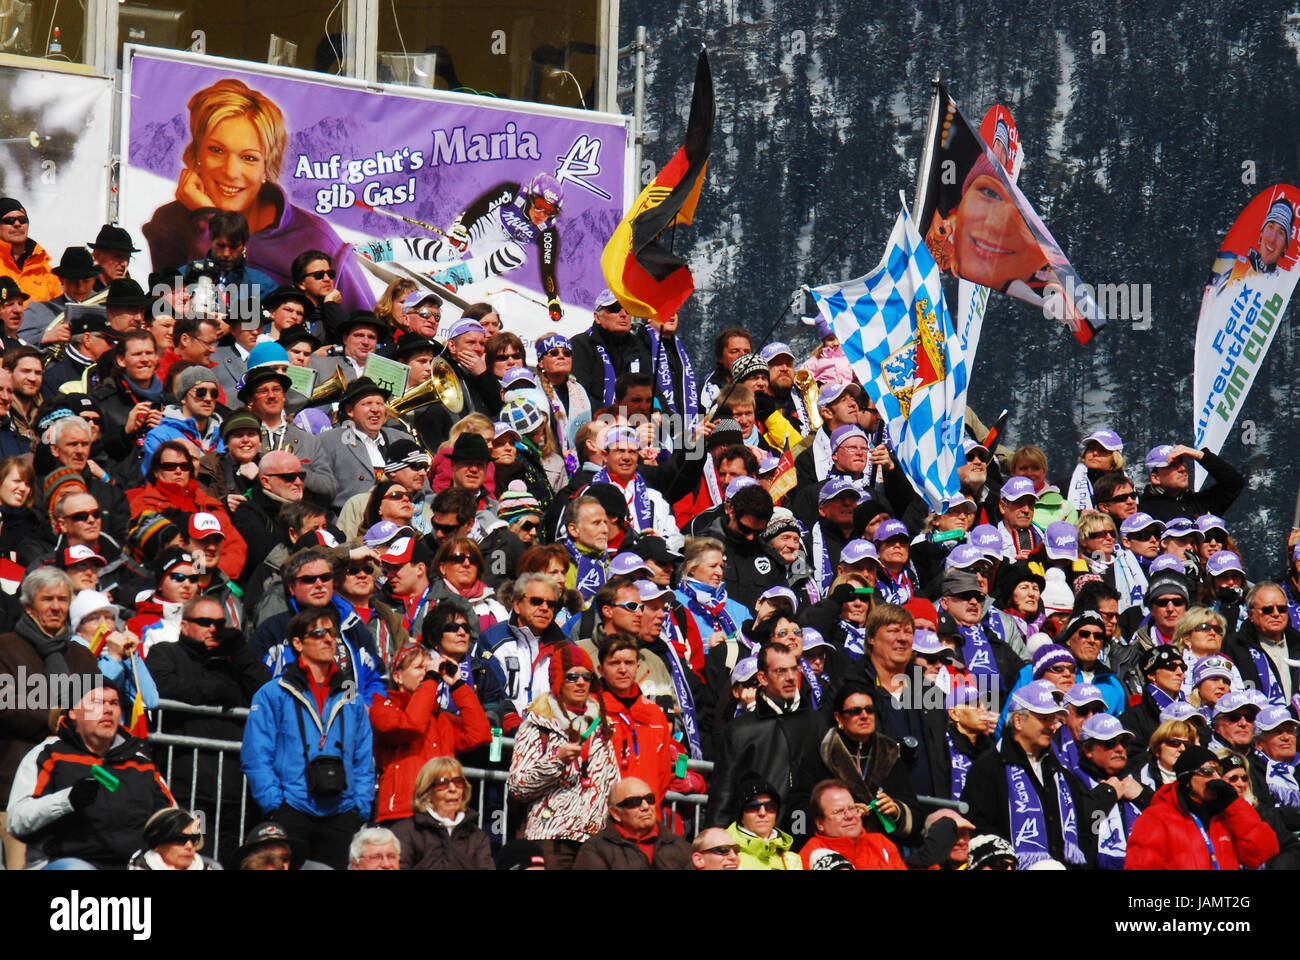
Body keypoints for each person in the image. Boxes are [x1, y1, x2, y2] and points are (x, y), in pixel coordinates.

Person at [143, 78, 370, 309]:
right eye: (216, 150)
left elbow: (366, 329)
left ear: (267, 166)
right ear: (197, 155)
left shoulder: (317, 239)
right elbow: (188, 311)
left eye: (249, 157)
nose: (231, 172)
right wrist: (205, 218)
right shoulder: (171, 224)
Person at [240, 605, 376, 870]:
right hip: (291, 808)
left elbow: (364, 757)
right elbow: (257, 754)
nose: (329, 639)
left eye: (332, 634)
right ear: (297, 643)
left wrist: (359, 805)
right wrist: (275, 805)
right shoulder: (273, 693)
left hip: (343, 811)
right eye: (319, 633)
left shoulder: (352, 696)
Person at [7, 684, 173, 869]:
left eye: (114, 703)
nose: (108, 709)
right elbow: (16, 821)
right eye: (97, 702)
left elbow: (174, 821)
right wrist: (67, 800)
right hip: (65, 863)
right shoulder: (48, 754)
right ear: (73, 712)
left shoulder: (141, 763)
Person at [0, 566, 93, 869]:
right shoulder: (6, 647)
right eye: (47, 599)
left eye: (63, 600)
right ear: (28, 606)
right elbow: (5, 703)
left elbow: (98, 704)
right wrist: (56, 715)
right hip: (13, 784)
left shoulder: (81, 655)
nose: (56, 607)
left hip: (70, 788)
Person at [506, 643, 619, 869]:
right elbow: (517, 786)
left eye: (586, 676)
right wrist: (556, 760)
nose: (580, 682)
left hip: (593, 841)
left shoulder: (602, 725)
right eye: (571, 676)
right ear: (558, 681)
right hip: (550, 837)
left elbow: (613, 784)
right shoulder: (538, 725)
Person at [961, 679, 1092, 868]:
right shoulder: (987, 770)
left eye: (1054, 718)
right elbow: (979, 829)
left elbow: (1084, 832)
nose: (1052, 726)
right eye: (1043, 718)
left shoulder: (1063, 775)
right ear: (1018, 721)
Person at [369, 642, 491, 823]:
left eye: (429, 668)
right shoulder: (382, 708)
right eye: (419, 667)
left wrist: (458, 685)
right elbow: (410, 725)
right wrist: (431, 678)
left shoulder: (441, 720)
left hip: (441, 814)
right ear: (398, 676)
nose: (426, 673)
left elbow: (479, 734)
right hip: (402, 814)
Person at [707, 643, 826, 825]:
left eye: (794, 669)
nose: (790, 677)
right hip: (757, 837)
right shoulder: (739, 730)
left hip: (808, 835)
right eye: (780, 671)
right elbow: (723, 796)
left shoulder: (817, 723)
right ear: (762, 678)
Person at [788, 681, 918, 839]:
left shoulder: (890, 754)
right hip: (834, 849)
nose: (864, 716)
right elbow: (797, 815)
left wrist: (897, 811)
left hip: (881, 850)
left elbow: (916, 814)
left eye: (869, 710)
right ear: (839, 718)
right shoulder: (819, 756)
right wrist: (840, 814)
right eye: (855, 711)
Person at [1124, 744, 1279, 870]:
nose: (1216, 778)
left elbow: (1261, 853)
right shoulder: (1156, 818)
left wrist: (1235, 804)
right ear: (1187, 779)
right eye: (1207, 771)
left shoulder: (1227, 815)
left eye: (1218, 771)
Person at [315, 376, 409, 511]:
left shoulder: (402, 439)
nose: (375, 409)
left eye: (380, 404)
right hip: (349, 522)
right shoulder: (328, 441)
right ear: (350, 411)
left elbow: (423, 490)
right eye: (367, 403)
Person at [388, 756, 495, 870]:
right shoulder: (405, 832)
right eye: (443, 783)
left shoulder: (477, 837)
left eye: (458, 782)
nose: (453, 789)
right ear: (427, 792)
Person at [569, 290, 653, 409]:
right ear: (597, 317)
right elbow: (579, 395)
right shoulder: (580, 344)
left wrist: (658, 412)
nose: (623, 314)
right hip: (595, 422)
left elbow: (652, 389)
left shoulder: (637, 346)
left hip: (635, 421)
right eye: (615, 308)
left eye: (628, 309)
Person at [799, 779, 906, 870]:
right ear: (820, 823)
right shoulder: (810, 856)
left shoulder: (881, 844)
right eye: (839, 811)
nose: (849, 816)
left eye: (852, 808)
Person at [1224, 582, 1300, 706]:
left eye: (1282, 609)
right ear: (1250, 615)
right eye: (1267, 610)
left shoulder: (1297, 643)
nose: (1276, 614)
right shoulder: (1234, 646)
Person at [1137, 443, 1244, 525]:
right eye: (1172, 465)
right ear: (1156, 478)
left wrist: (1199, 455)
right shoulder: (1144, 513)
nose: (1182, 468)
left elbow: (1234, 483)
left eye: (1182, 462)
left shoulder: (1199, 503)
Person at [723, 777, 801, 869]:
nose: (762, 813)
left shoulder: (792, 860)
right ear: (741, 816)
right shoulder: (724, 855)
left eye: (770, 807)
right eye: (753, 806)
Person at [1247, 705, 1300, 832]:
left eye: (1290, 731)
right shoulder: (1250, 770)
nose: (1286, 737)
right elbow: (1259, 814)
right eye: (1278, 732)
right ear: (1259, 743)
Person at [0, 197, 60, 302]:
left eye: (22, 220)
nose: (17, 224)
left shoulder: (46, 272)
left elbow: (59, 312)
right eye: (9, 220)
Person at [127, 807, 219, 871]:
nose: (189, 846)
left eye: (194, 839)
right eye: (180, 839)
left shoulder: (211, 867)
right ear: (157, 843)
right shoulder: (139, 865)